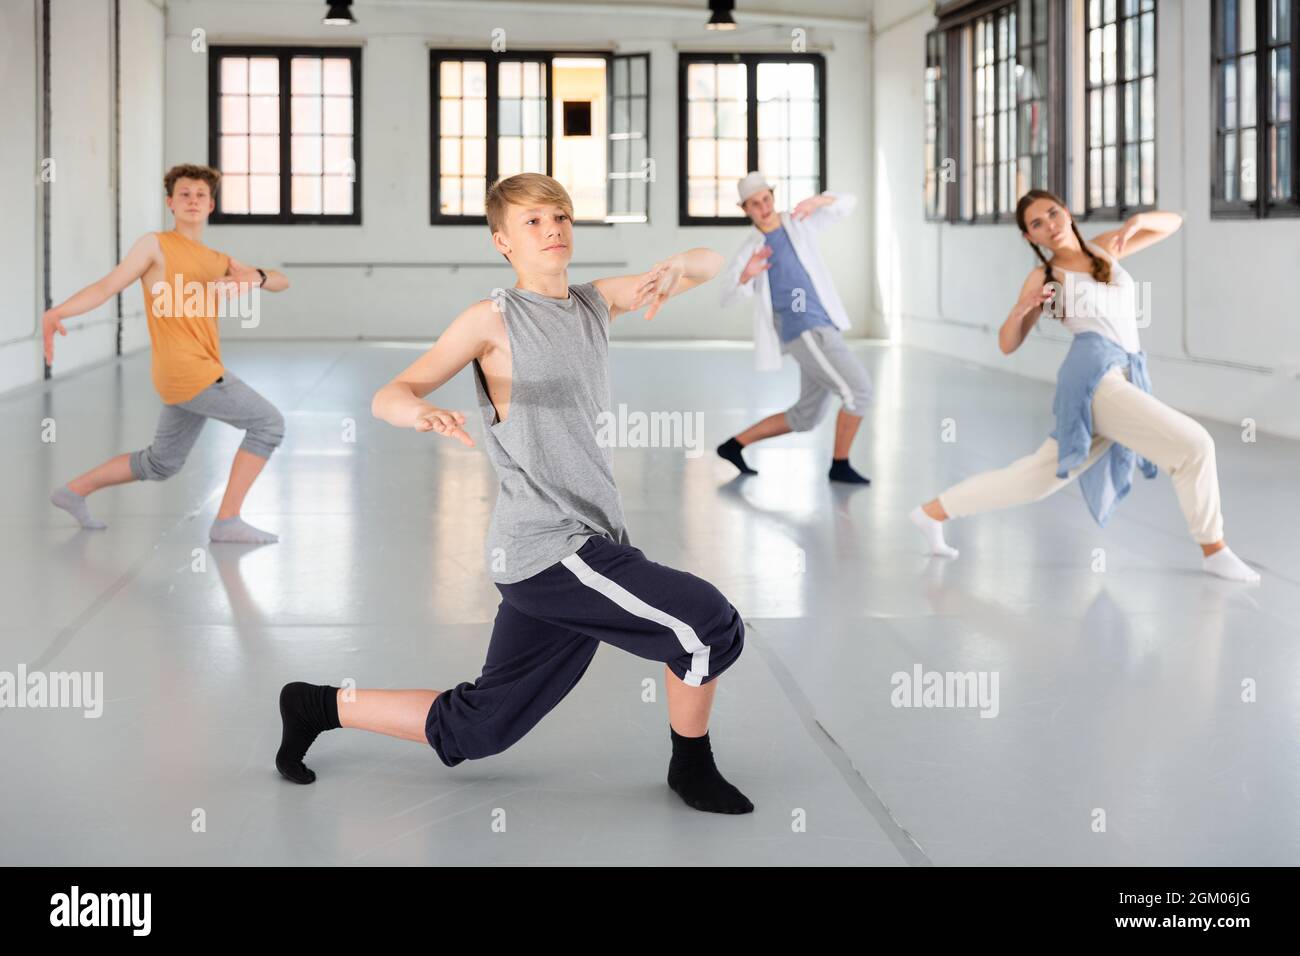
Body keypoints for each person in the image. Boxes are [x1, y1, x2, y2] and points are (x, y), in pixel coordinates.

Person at [275, 173, 753, 814]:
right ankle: (690, 765)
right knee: (708, 626)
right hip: (550, 546)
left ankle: (314, 705)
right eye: (532, 221)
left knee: (479, 727)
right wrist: (420, 414)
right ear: (502, 240)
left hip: (575, 546)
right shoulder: (492, 319)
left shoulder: (592, 304)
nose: (552, 228)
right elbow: (391, 392)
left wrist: (674, 270)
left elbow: (711, 262)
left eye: (560, 217)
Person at [909, 189, 1259, 584]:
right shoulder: (1044, 277)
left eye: (1053, 214)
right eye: (1037, 224)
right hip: (1095, 380)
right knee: (1195, 445)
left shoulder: (1106, 249)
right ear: (1030, 238)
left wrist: (1138, 222)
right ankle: (1214, 550)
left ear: (1067, 213)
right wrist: (1021, 310)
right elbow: (1007, 344)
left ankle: (931, 513)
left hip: (1125, 375)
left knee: (1036, 479)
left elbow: (1176, 222)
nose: (1050, 226)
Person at [44, 163, 288, 544]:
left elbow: (280, 281)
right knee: (268, 424)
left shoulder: (217, 259)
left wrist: (255, 277)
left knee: (162, 463)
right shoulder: (155, 245)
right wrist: (58, 311)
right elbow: (107, 286)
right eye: (185, 195)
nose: (193, 200)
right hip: (190, 371)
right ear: (170, 203)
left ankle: (72, 492)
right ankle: (227, 521)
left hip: (185, 375)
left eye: (201, 195)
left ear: (211, 205)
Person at [715, 172, 873, 484]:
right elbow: (726, 296)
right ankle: (839, 466)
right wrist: (746, 275)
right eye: (754, 204)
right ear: (745, 209)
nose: (763, 207)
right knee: (859, 392)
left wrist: (819, 200)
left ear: (773, 197)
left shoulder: (799, 222)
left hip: (824, 322)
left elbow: (848, 205)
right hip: (805, 329)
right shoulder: (751, 248)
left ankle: (733, 446)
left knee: (807, 415)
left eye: (766, 199)